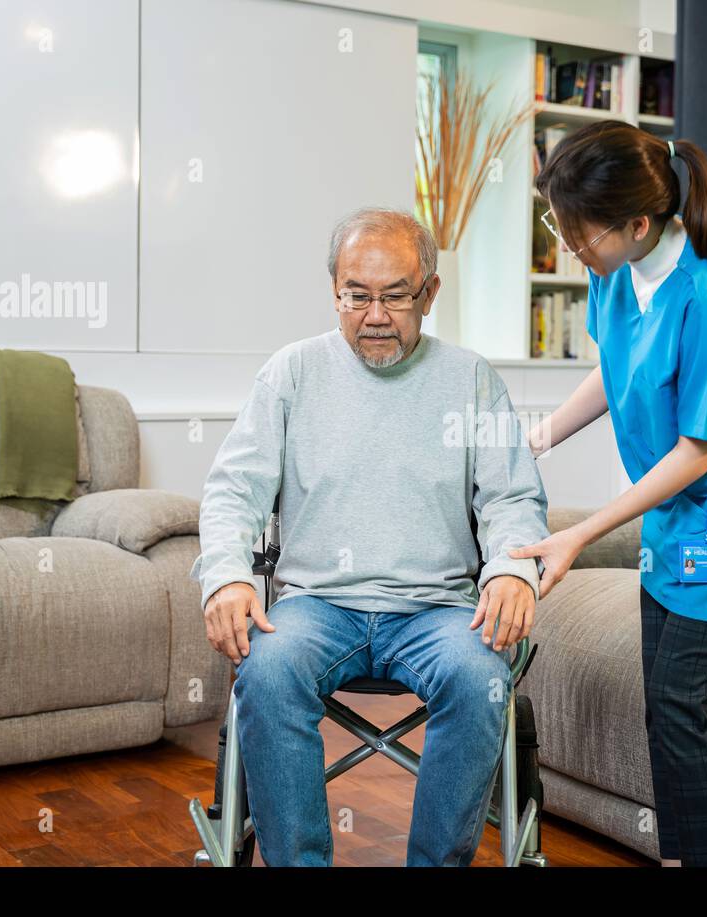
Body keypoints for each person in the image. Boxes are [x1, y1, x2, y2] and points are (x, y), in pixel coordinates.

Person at [190, 207, 549, 866]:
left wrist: (510, 570)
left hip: (438, 611)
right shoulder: (291, 374)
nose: (374, 315)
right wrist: (229, 576)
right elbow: (232, 493)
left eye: (395, 296)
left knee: (479, 680)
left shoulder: (471, 379)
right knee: (264, 674)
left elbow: (513, 499)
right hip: (316, 607)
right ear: (335, 291)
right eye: (356, 296)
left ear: (430, 293)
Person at [513, 121, 707, 867]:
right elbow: (615, 370)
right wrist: (538, 438)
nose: (568, 243)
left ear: (638, 223)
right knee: (667, 706)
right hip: (679, 522)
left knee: (681, 707)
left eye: (576, 229)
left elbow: (698, 451)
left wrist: (578, 535)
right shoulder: (613, 271)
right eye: (557, 221)